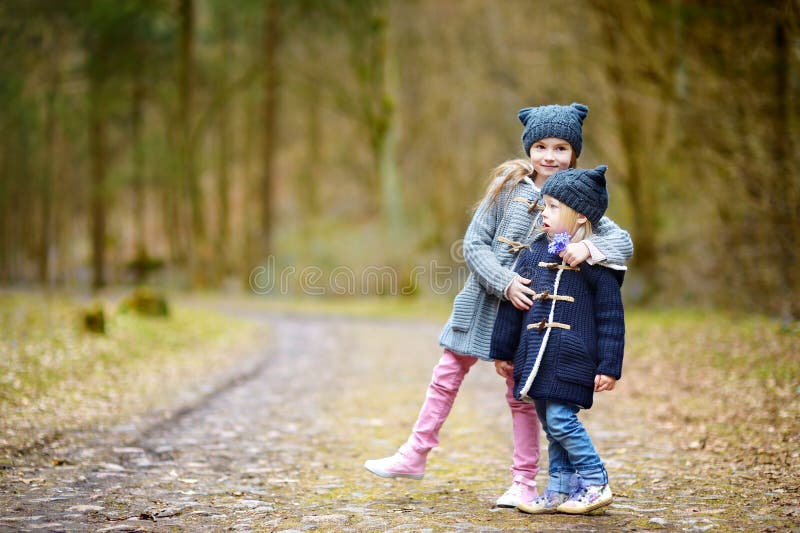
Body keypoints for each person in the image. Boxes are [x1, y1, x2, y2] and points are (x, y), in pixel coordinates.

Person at [363, 103, 633, 508]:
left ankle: (523, 482)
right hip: (484, 300)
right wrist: (504, 281)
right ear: (528, 147)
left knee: (520, 395)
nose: (550, 156)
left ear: (574, 152)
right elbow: (473, 244)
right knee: (446, 374)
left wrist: (587, 247)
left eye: (561, 148)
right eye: (541, 146)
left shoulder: (576, 194)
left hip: (530, 314)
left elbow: (621, 242)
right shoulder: (507, 189)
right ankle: (414, 454)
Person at [490, 164, 625, 515]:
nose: (543, 213)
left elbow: (611, 318)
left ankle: (596, 481)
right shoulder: (534, 253)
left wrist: (609, 366)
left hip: (574, 358)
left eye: (552, 207)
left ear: (580, 217)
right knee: (551, 424)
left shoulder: (599, 265)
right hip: (536, 356)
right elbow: (513, 306)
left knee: (563, 420)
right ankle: (560, 488)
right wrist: (503, 351)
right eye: (543, 206)